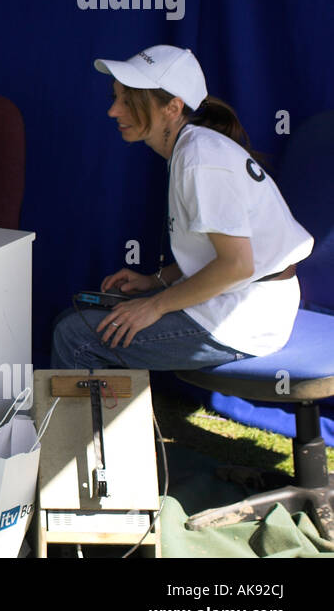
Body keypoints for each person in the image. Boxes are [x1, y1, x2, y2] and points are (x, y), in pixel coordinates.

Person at [51, 45, 313, 371]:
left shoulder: (200, 159)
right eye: (115, 98)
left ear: (173, 108)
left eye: (129, 101)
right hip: (236, 297)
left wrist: (155, 305)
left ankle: (86, 424)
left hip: (246, 317)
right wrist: (157, 281)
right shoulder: (193, 148)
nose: (113, 112)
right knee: (74, 317)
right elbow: (216, 252)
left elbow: (238, 265)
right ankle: (106, 420)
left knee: (75, 336)